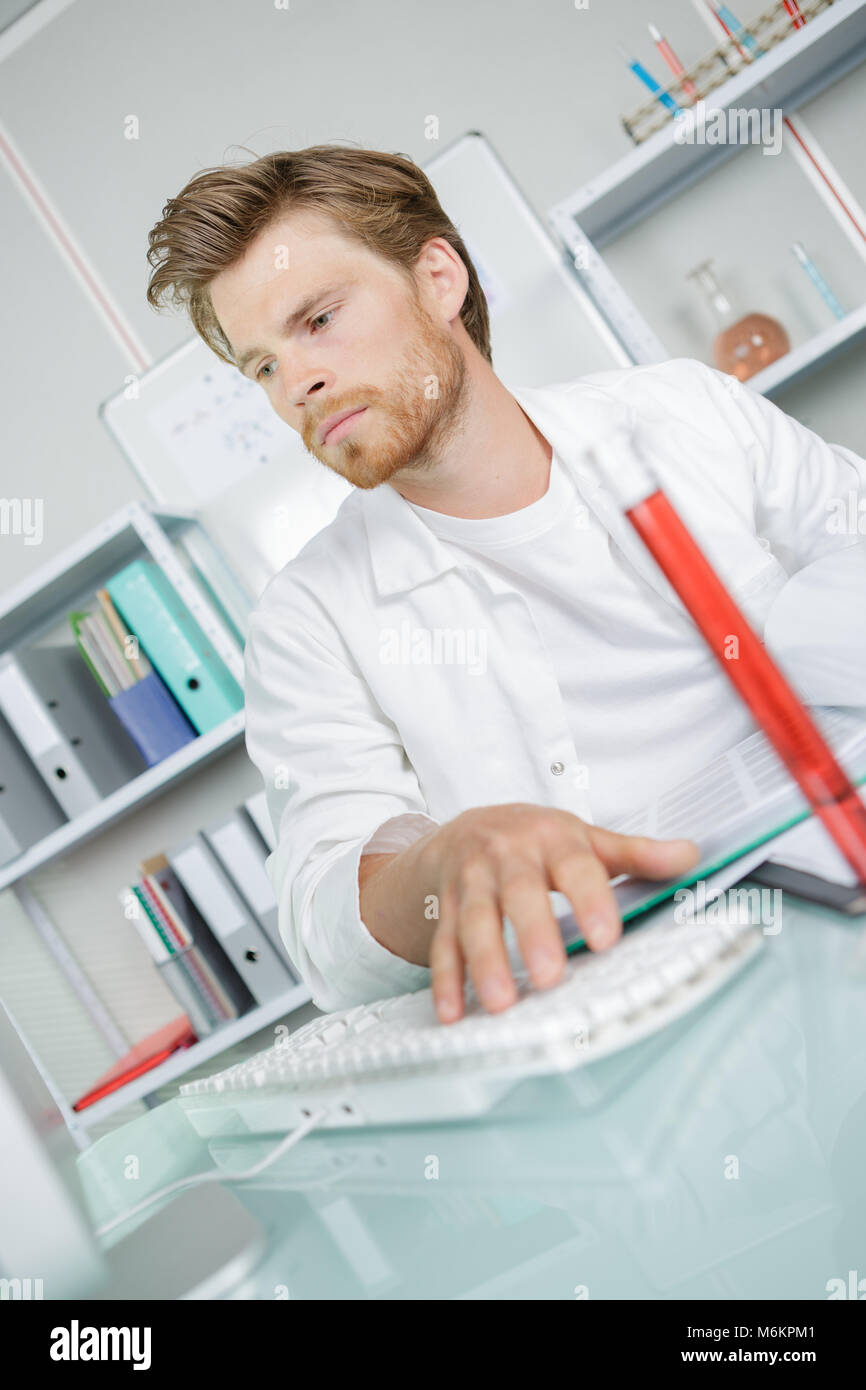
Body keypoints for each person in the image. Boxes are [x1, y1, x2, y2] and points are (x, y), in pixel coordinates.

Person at [146, 143, 866, 1022]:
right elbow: (324, 915)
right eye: (261, 366)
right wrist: (438, 869)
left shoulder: (686, 413)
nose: (298, 382)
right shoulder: (309, 619)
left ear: (438, 278)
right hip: (646, 1020)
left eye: (320, 319)